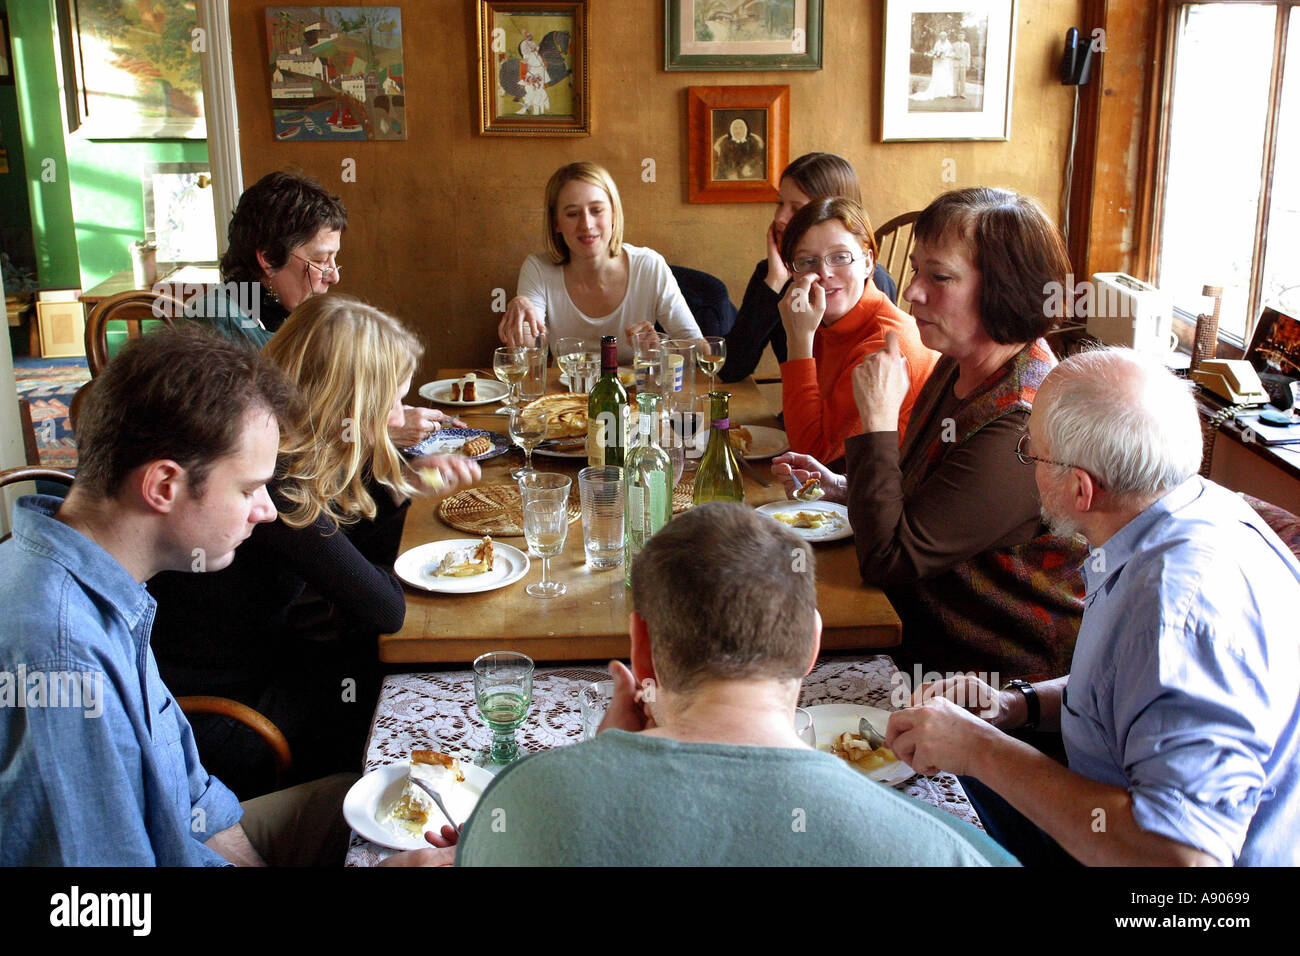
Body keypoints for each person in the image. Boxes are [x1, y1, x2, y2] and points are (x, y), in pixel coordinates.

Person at [392, 503, 1016, 867]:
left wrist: (592, 765)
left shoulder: (518, 806)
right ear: (813, 646)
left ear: (640, 648)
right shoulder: (948, 850)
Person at [887, 348, 1300, 866]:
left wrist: (977, 750)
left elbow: (1181, 860)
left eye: (1029, 453)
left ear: (1080, 489)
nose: (1027, 463)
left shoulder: (1178, 612)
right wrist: (1019, 705)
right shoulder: (1184, 510)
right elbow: (1132, 686)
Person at [0, 325, 356, 865]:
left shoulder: (109, 576)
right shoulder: (63, 653)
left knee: (388, 795)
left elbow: (193, 798)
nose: (264, 511)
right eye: (247, 488)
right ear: (164, 486)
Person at [149, 296, 480, 795]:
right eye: (390, 401)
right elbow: (385, 608)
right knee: (412, 689)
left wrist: (397, 487)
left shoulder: (271, 440)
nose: (396, 417)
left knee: (401, 672)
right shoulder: (272, 478)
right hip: (222, 717)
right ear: (347, 401)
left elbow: (351, 552)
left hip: (259, 663)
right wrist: (393, 508)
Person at [774, 187, 1088, 680]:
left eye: (938, 276)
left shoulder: (1024, 423)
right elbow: (923, 502)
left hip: (988, 675)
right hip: (912, 629)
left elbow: (889, 560)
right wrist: (843, 486)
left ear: (1005, 288)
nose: (912, 291)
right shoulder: (960, 362)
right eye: (917, 269)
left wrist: (876, 418)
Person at [193, 170, 449, 447]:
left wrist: (385, 412)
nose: (333, 275)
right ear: (267, 257)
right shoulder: (216, 326)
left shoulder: (284, 309)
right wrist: (376, 433)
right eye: (319, 260)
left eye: (334, 259)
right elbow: (256, 448)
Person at [775, 197, 938, 464]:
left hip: (890, 493)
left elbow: (815, 456)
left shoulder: (883, 346)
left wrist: (798, 340)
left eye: (840, 257)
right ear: (793, 273)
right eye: (807, 262)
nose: (824, 272)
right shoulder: (820, 321)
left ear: (867, 262)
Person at [498, 162, 702, 363]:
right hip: (566, 395)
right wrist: (521, 313)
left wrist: (659, 349)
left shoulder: (649, 265)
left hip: (631, 395)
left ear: (613, 213)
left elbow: (702, 350)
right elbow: (526, 354)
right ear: (556, 223)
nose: (586, 224)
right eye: (572, 214)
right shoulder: (538, 269)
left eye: (596, 210)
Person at [723, 152, 900, 384]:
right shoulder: (771, 273)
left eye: (796, 209)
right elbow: (731, 369)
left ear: (830, 211)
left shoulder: (871, 282)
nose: (780, 218)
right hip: (796, 411)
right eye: (780, 204)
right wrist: (775, 281)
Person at [953, 32, 972, 98]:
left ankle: (963, 93)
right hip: (956, 63)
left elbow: (968, 55)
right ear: (958, 37)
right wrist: (955, 56)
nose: (961, 37)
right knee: (955, 79)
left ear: (964, 37)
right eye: (959, 36)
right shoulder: (954, 44)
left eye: (962, 36)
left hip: (963, 63)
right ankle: (954, 93)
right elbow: (951, 53)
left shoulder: (967, 45)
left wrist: (968, 64)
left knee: (963, 79)